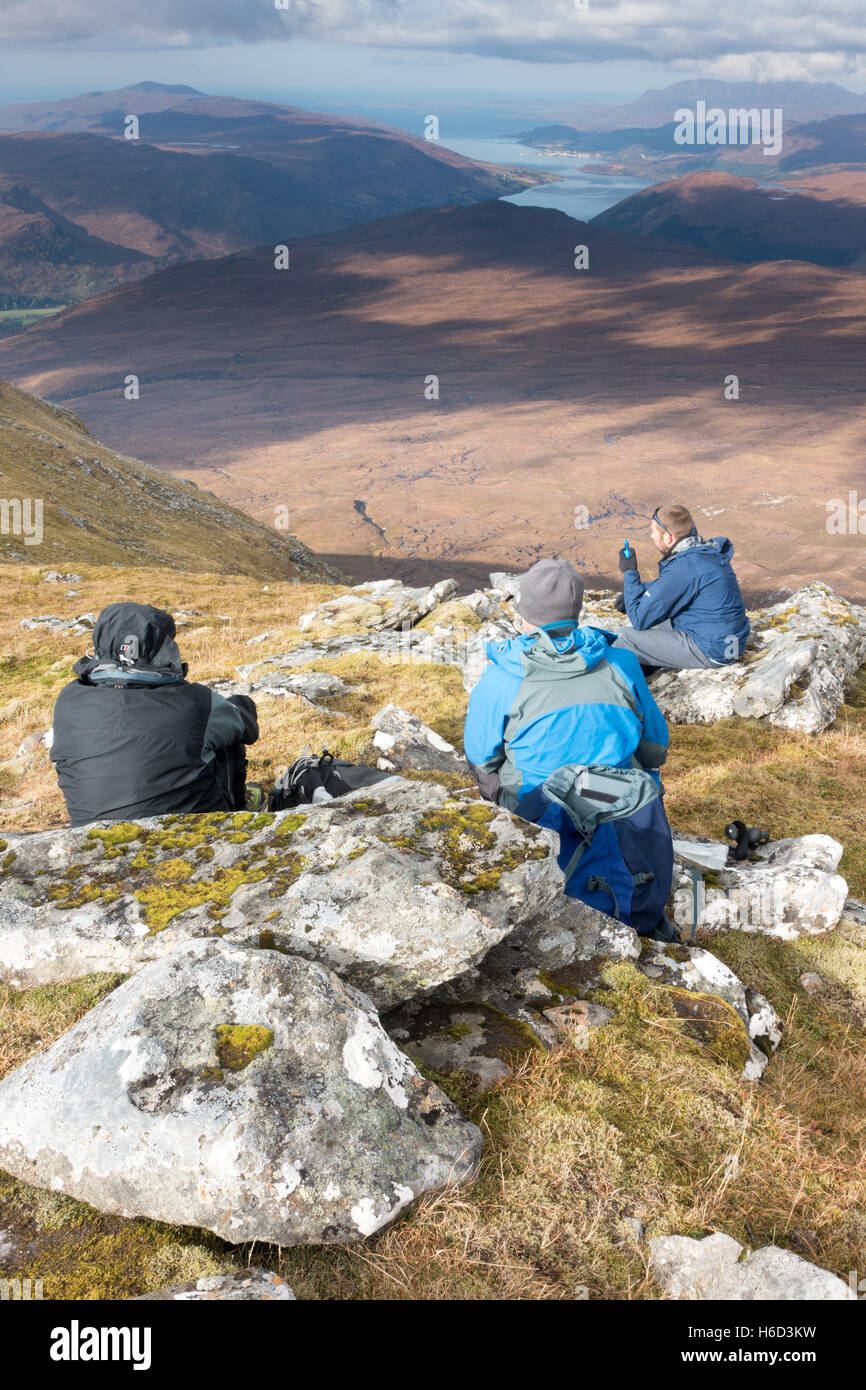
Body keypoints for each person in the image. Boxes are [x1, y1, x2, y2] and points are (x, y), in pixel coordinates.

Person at [464, 557, 676, 939]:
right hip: (621, 811)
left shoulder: (502, 676)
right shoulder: (622, 662)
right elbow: (655, 750)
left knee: (492, 774)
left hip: (540, 812)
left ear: (525, 612)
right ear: (575, 612)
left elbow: (482, 758)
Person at [51, 602, 262, 827]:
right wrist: (243, 705)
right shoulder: (197, 702)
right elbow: (247, 729)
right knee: (227, 731)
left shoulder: (69, 698)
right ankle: (238, 810)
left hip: (90, 834)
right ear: (162, 647)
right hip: (187, 831)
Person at [613, 504, 749, 672]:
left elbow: (640, 619)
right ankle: (652, 664)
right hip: (731, 644)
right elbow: (674, 586)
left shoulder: (685, 566)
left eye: (653, 532)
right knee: (660, 614)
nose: (652, 537)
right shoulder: (705, 553)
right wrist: (638, 592)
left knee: (623, 638)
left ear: (668, 538)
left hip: (713, 650)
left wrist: (629, 572)